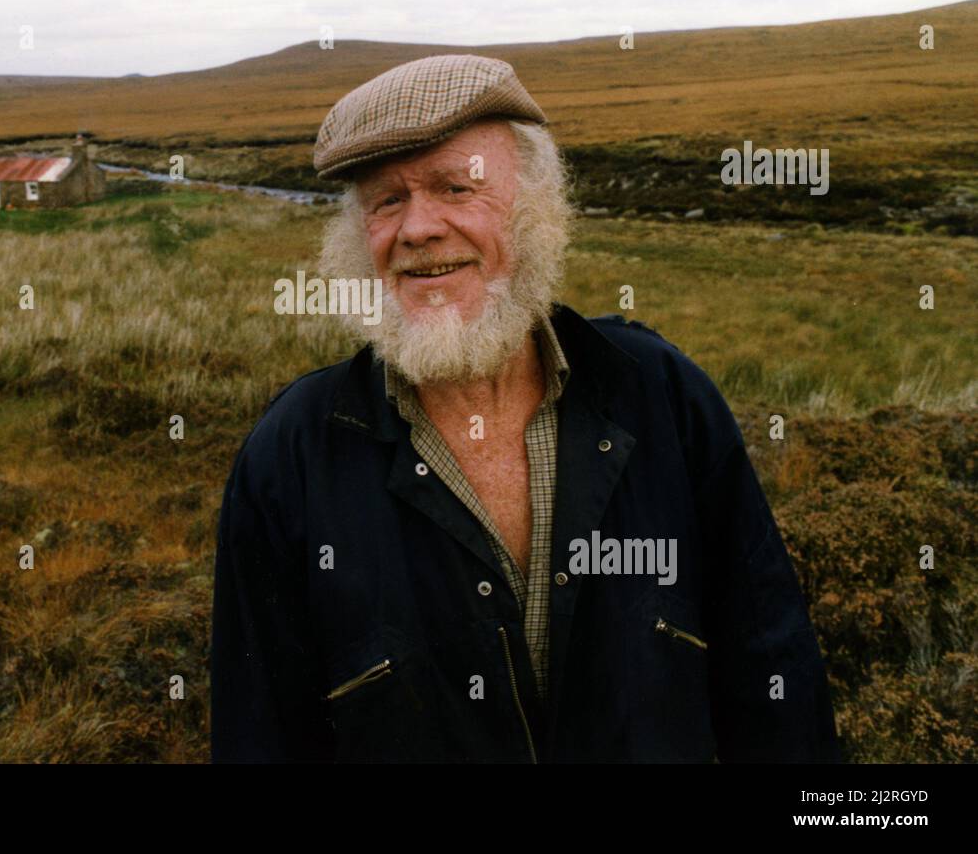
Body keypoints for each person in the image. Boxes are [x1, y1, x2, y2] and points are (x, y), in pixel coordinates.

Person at [209, 53, 840, 763]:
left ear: (535, 207)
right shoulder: (290, 459)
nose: (418, 228)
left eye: (456, 186)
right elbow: (257, 735)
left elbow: (775, 683)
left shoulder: (663, 397)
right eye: (388, 200)